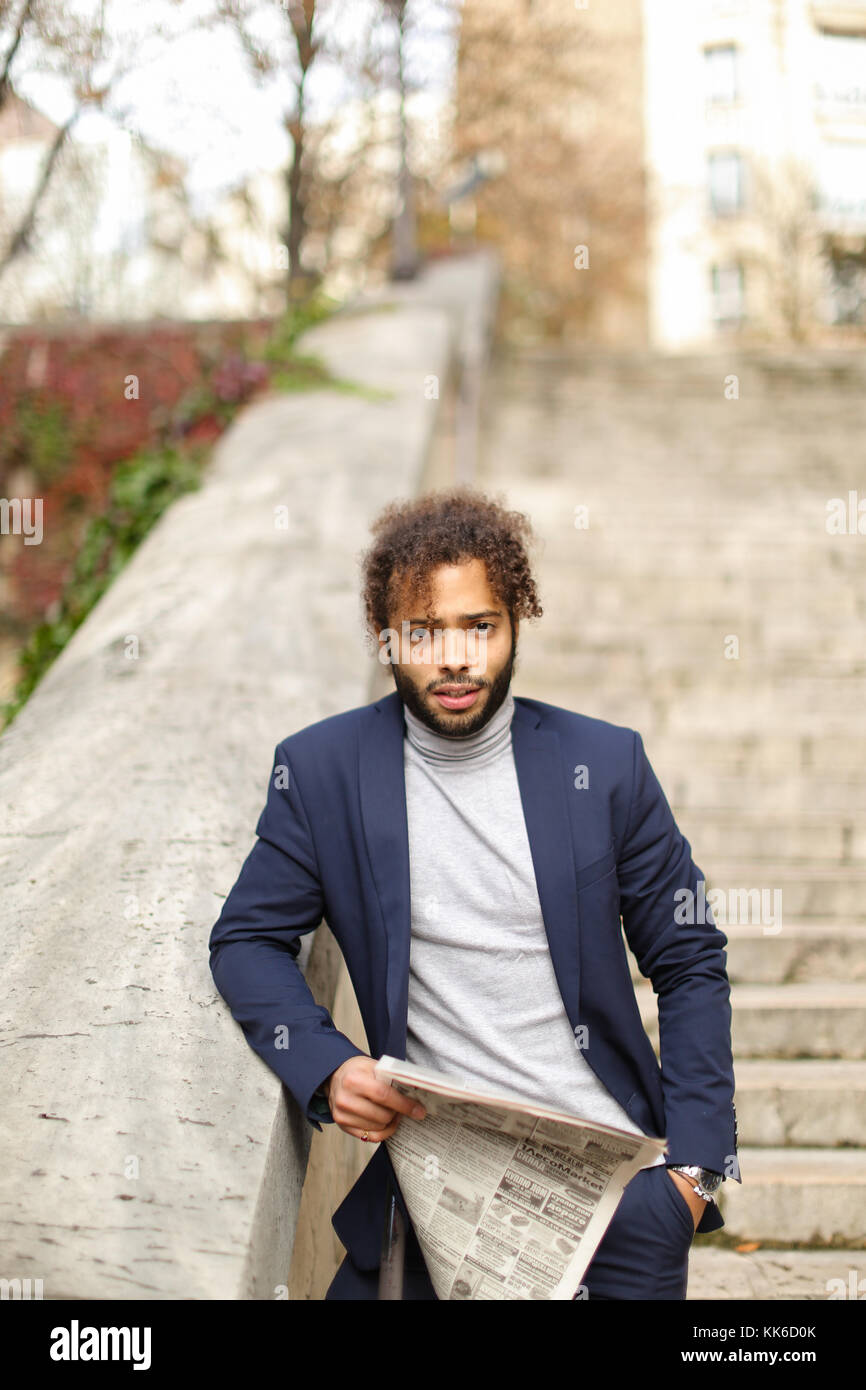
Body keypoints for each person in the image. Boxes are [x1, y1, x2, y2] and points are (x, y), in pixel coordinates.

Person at [208, 486, 739, 1300]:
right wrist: (325, 1067)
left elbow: (691, 955)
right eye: (423, 631)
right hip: (427, 1196)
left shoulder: (604, 768)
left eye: (478, 626)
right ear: (386, 640)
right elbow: (246, 941)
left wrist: (692, 1173)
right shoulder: (323, 773)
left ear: (515, 623)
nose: (454, 658)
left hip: (613, 1198)